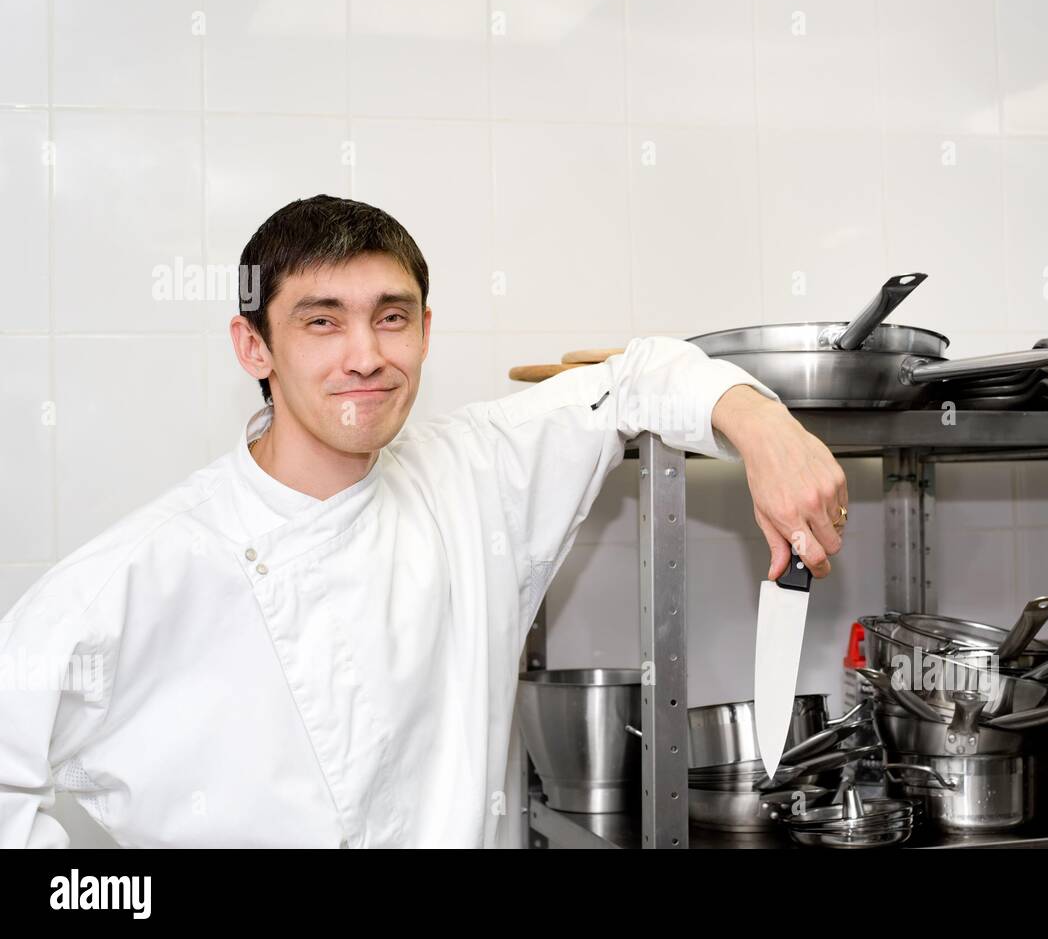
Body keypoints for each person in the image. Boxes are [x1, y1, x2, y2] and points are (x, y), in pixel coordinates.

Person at [0, 195, 848, 848]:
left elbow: (636, 378)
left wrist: (762, 425)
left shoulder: (472, 473)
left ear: (426, 331)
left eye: (392, 316)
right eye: (321, 320)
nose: (366, 354)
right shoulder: (142, 570)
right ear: (253, 346)